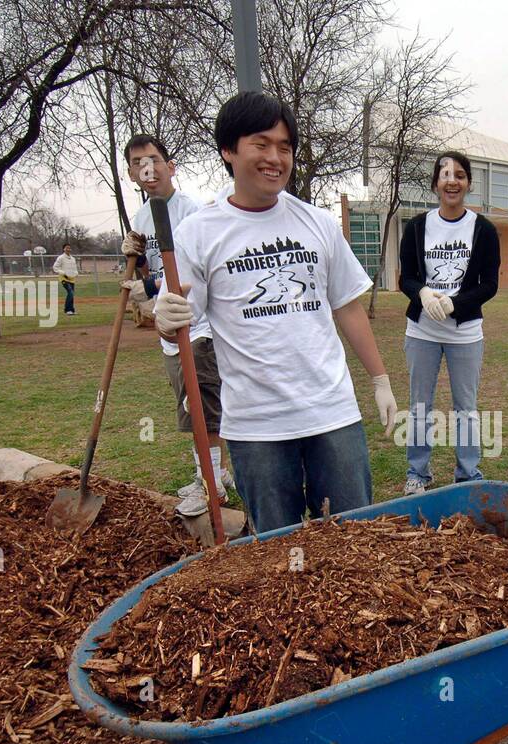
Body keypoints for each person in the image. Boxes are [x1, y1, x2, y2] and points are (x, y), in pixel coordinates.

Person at [154, 91, 398, 533]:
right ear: (228, 150)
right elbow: (181, 323)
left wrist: (379, 379)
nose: (275, 158)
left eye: (285, 147)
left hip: (332, 412)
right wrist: (166, 323)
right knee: (275, 549)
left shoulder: (318, 223)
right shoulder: (196, 233)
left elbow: (346, 306)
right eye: (261, 144)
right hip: (256, 425)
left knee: (353, 538)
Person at [118, 133, 232, 518]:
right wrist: (140, 274)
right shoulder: (141, 217)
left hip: (197, 328)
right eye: (137, 162)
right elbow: (154, 269)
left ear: (170, 167)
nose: (146, 168)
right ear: (132, 174)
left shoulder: (191, 212)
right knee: (189, 405)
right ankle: (215, 473)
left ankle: (211, 485)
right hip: (168, 332)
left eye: (153, 159)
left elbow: (193, 272)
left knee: (201, 408)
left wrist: (149, 288)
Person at [397, 151, 500, 494]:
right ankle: (417, 474)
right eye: (444, 174)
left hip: (465, 333)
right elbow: (406, 278)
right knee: (419, 406)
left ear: (468, 183)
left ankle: (468, 473)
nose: (452, 180)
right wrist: (424, 294)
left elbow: (489, 284)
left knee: (466, 408)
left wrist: (455, 304)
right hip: (422, 331)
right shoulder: (416, 227)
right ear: (435, 183)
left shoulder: (483, 229)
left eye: (459, 174)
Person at [52, 244, 77, 315]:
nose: (68, 249)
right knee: (70, 292)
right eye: (66, 248)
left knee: (71, 294)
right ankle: (67, 310)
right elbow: (55, 268)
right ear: (64, 249)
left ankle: (72, 310)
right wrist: (64, 273)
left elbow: (74, 268)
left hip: (72, 279)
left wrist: (75, 273)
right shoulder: (61, 258)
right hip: (64, 278)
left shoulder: (73, 258)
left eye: (69, 248)